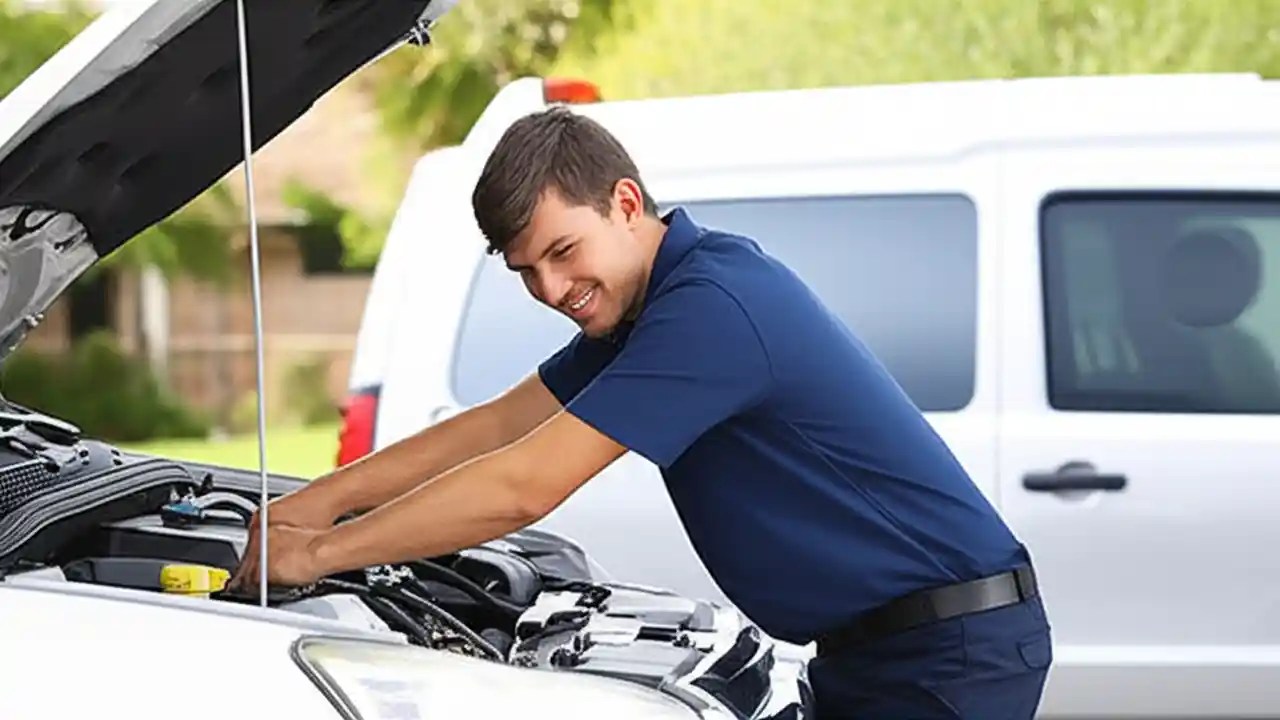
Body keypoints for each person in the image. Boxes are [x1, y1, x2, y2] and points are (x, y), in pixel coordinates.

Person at [228, 105, 1053, 719]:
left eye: (562, 251)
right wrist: (311, 503)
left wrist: (325, 554)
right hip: (879, 654)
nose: (551, 291)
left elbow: (524, 485)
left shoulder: (712, 309)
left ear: (626, 203)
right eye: (526, 271)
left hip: (947, 659)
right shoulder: (646, 308)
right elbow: (495, 428)